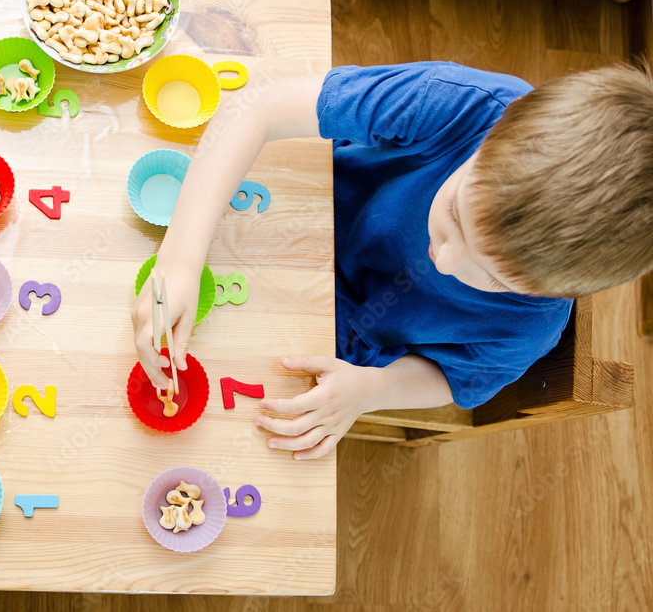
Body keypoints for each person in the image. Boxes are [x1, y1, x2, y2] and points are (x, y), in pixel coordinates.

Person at [131, 61, 653, 460]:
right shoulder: (463, 105)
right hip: (301, 203)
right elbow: (261, 109)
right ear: (497, 133)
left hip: (337, 342)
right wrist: (179, 260)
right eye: (455, 215)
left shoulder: (531, 327)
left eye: (492, 278)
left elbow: (452, 379)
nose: (446, 260)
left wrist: (371, 390)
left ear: (554, 293)